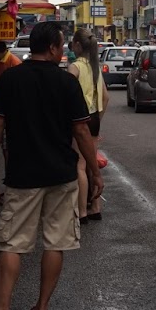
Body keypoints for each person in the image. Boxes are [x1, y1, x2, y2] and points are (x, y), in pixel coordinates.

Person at [0, 21, 100, 310]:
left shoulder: (11, 79)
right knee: (56, 242)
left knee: (11, 244)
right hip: (62, 174)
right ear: (52, 47)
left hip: (23, 174)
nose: (63, 50)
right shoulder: (67, 83)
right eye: (61, 45)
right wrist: (93, 173)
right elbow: (80, 130)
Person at [68, 29, 105, 222]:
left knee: (80, 166)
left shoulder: (75, 67)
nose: (71, 47)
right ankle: (96, 207)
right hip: (94, 119)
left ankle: (82, 211)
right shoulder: (95, 67)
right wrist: (97, 119)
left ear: (78, 46)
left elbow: (65, 93)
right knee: (92, 164)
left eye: (73, 43)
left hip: (79, 119)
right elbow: (105, 98)